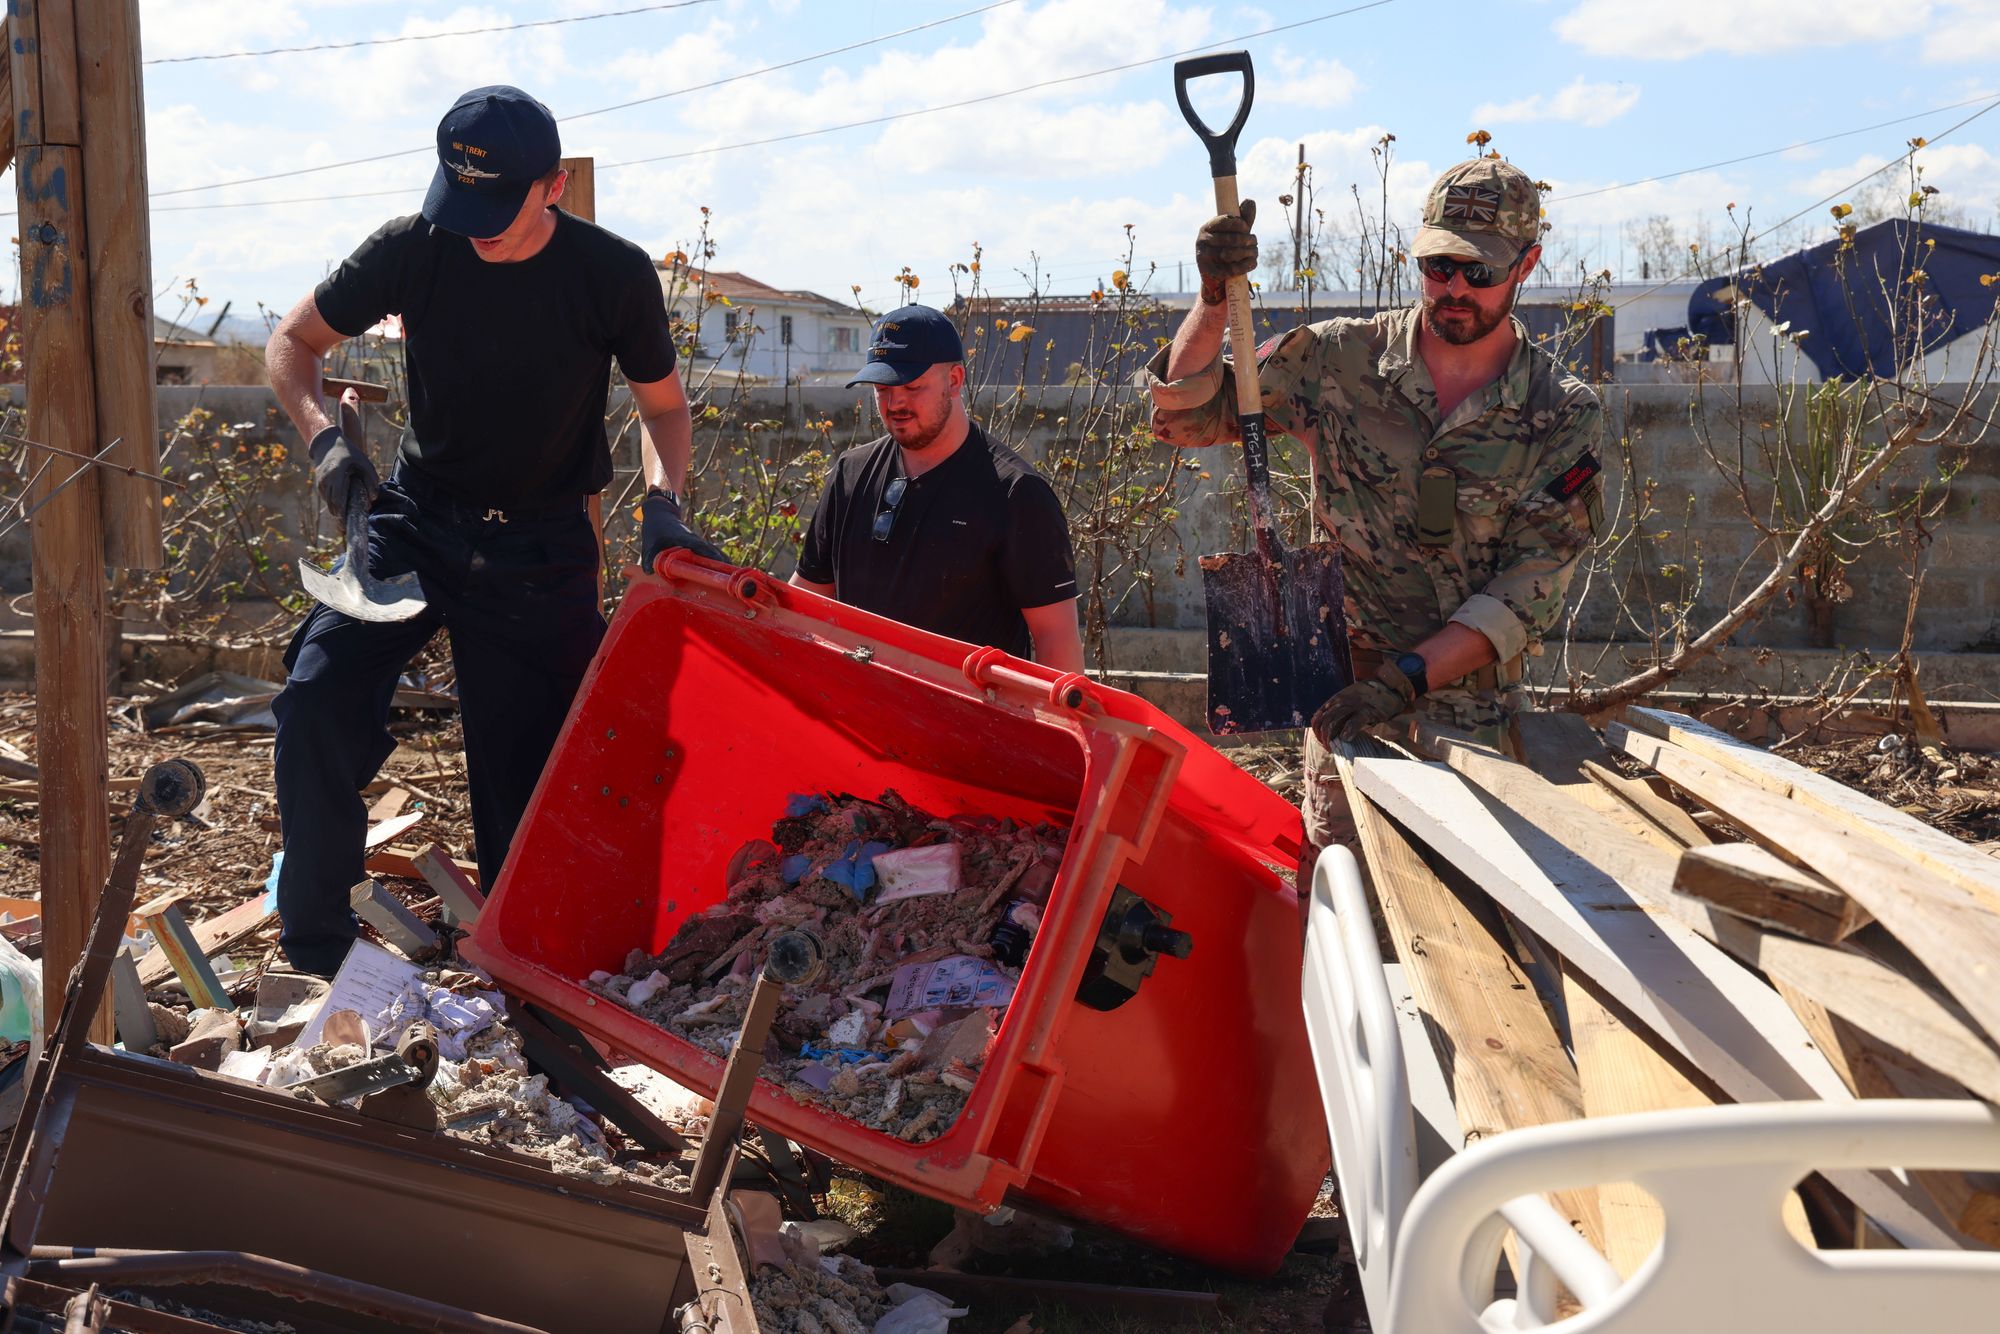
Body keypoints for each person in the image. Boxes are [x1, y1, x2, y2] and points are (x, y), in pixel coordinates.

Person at [264, 85, 718, 975]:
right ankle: (319, 956)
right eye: (458, 200)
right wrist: (323, 443)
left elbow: (664, 410)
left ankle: (531, 977)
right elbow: (290, 343)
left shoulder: (611, 275)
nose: (476, 227)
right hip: (416, 521)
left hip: (539, 552)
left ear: (551, 185)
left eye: (496, 206)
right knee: (315, 701)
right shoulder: (414, 248)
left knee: (529, 788)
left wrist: (663, 502)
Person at [1146, 157, 1604, 888]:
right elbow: (1188, 415)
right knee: (1342, 925)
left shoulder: (1560, 410)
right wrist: (1209, 300)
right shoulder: (1338, 358)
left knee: (1472, 937)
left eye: (1478, 272)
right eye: (1437, 266)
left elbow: (1530, 586)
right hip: (1346, 708)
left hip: (1472, 720)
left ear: (1527, 266)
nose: (1454, 289)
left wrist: (1405, 681)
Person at [790, 305, 1086, 673]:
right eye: (883, 389)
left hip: (966, 724)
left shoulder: (1015, 493)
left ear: (955, 379)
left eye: (913, 386)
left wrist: (1054, 728)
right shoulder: (850, 476)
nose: (895, 403)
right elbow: (803, 605)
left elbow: (1056, 640)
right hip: (861, 717)